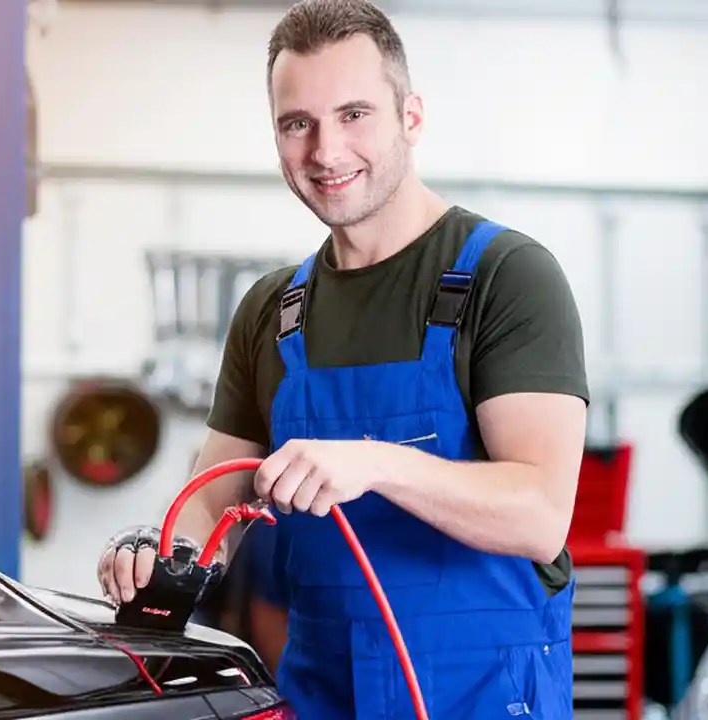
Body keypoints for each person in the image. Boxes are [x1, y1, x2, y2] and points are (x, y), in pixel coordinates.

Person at [98, 0, 589, 716]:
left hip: (481, 694)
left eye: (354, 114)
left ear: (410, 117)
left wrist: (376, 462)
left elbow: (539, 514)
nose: (326, 151)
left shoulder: (506, 276)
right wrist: (158, 553)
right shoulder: (273, 311)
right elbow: (212, 504)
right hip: (323, 689)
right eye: (298, 123)